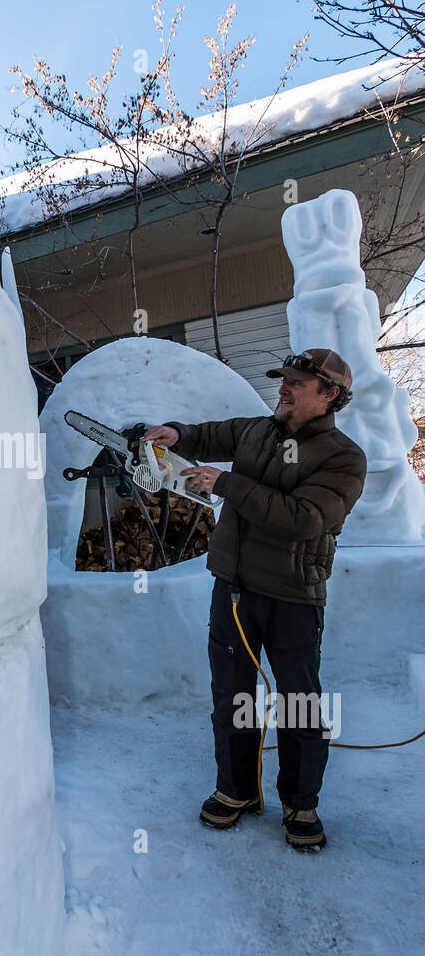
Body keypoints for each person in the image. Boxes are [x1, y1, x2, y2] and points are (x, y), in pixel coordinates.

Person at [144, 348, 367, 850]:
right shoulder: (257, 430)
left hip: (292, 597)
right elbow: (211, 434)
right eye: (283, 380)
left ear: (329, 395)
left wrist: (227, 483)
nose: (284, 389)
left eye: (296, 384)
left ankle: (300, 803)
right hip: (234, 591)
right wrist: (176, 432)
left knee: (298, 706)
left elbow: (303, 518)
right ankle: (237, 790)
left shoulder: (343, 457)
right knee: (233, 698)